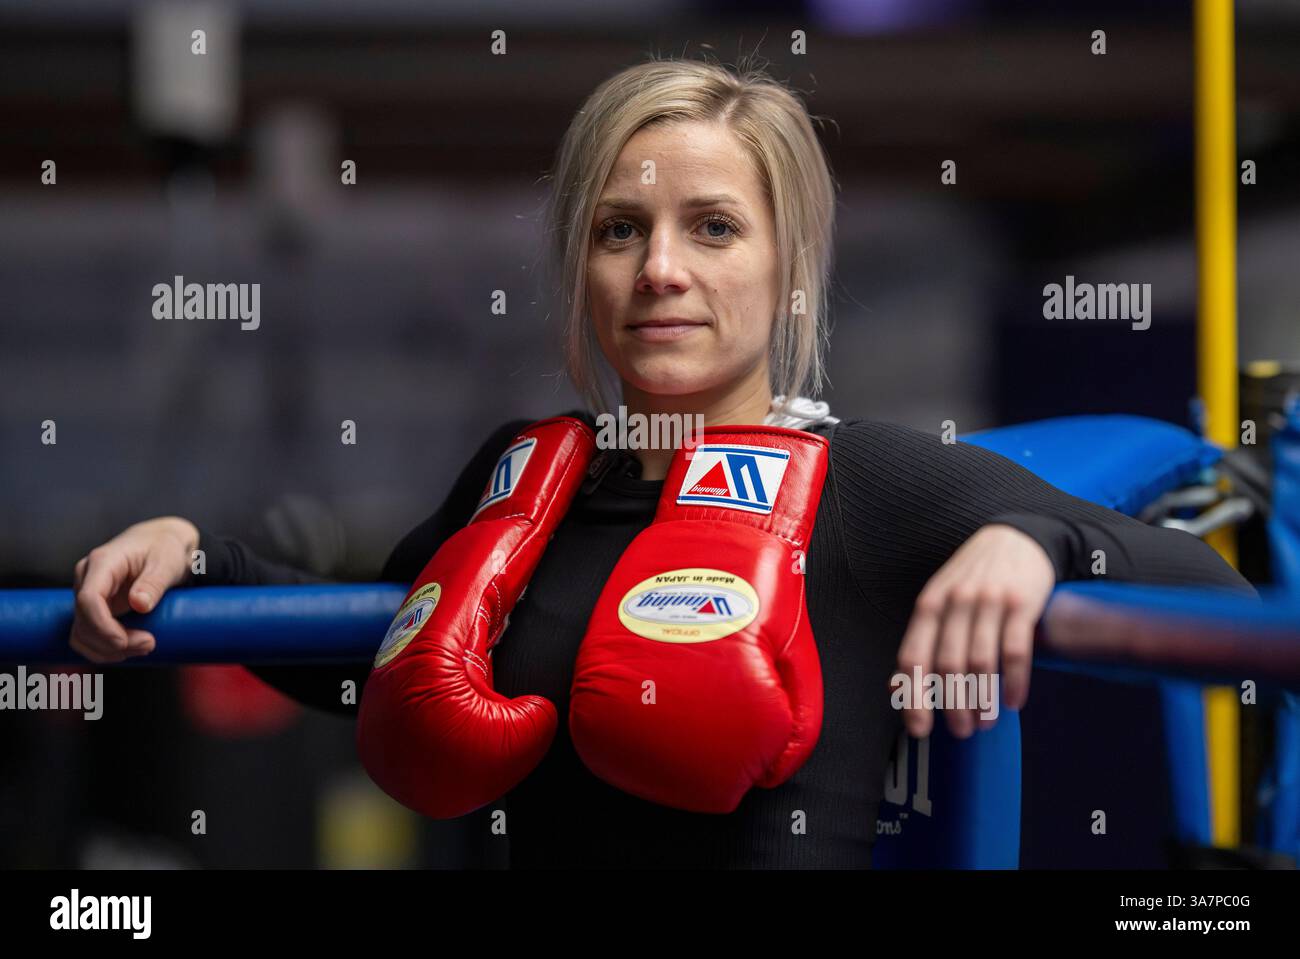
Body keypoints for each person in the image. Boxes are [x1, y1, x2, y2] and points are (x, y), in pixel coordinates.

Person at [69, 57, 1255, 868]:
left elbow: (1220, 599)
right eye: (619, 229)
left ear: (789, 271)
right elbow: (371, 658)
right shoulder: (520, 478)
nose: (660, 270)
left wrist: (1031, 541)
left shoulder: (865, 482)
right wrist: (200, 561)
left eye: (714, 227)